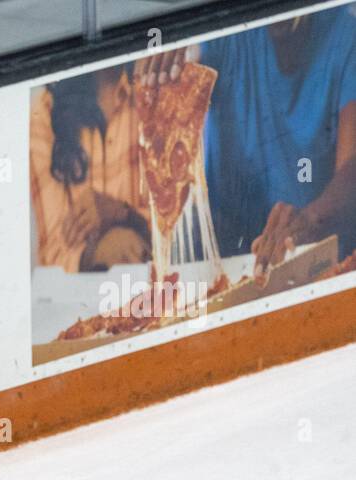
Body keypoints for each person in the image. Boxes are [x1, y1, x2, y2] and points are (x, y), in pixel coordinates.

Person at [139, 10, 356, 281]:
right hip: (225, 261)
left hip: (312, 266)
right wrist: (172, 45)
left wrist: (311, 219)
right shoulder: (227, 29)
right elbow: (186, 55)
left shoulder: (346, 35)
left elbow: (352, 169)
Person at [30, 64, 150, 272]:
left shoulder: (155, 92)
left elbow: (180, 231)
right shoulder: (43, 115)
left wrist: (123, 214)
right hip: (83, 297)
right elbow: (53, 254)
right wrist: (102, 251)